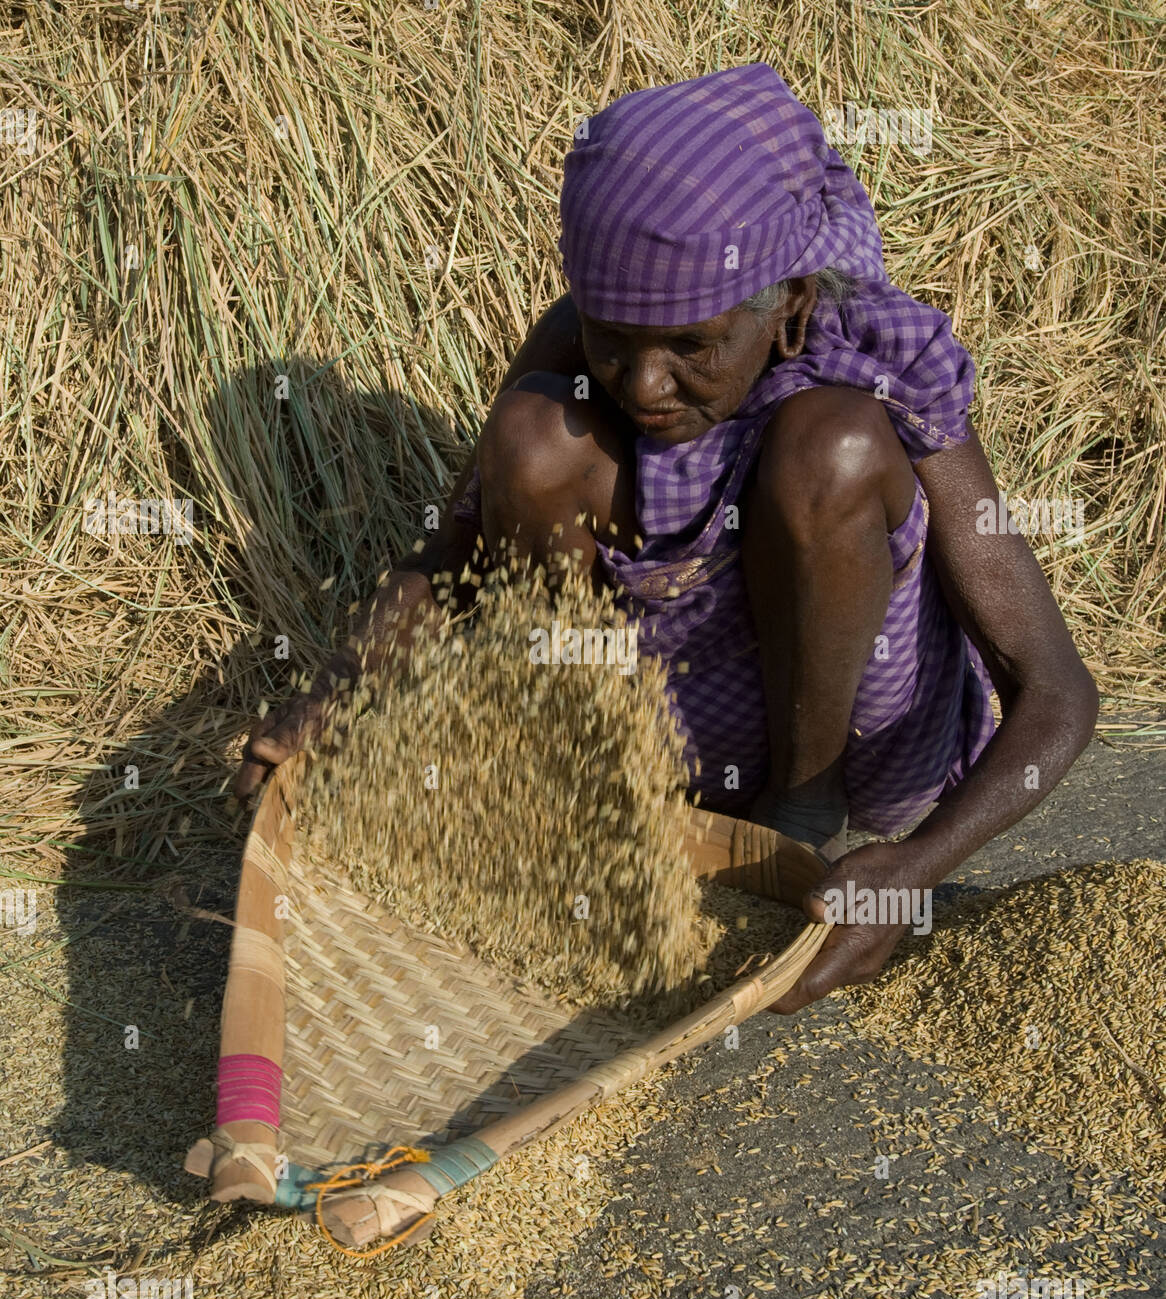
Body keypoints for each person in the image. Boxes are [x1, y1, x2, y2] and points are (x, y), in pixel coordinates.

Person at [235, 64, 1097, 1013]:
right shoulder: (575, 346)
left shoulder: (879, 355)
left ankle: (797, 813)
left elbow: (1057, 691)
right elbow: (447, 568)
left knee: (833, 448)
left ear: (792, 307)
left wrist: (917, 868)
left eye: (692, 348)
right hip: (667, 744)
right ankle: (602, 794)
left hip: (859, 752)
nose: (643, 386)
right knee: (532, 436)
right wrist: (332, 697)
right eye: (616, 341)